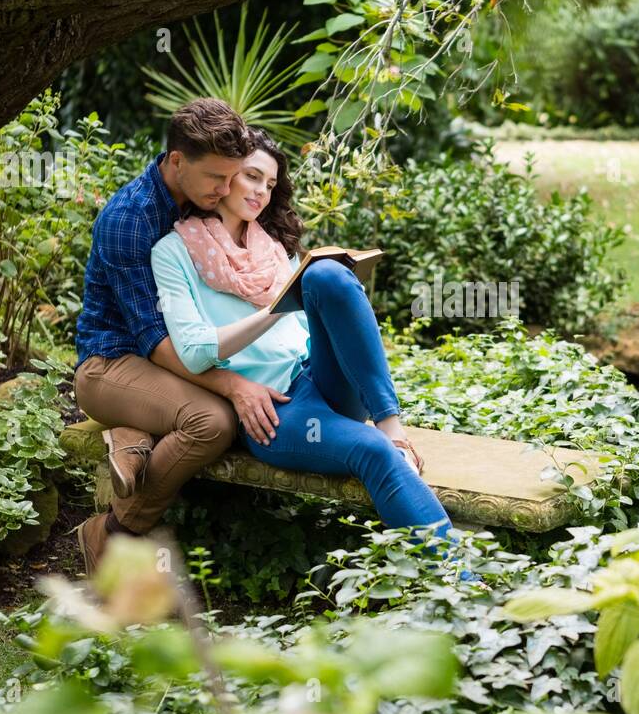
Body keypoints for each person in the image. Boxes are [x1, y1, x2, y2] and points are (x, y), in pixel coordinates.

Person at [149, 127, 476, 581]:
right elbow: (193, 350)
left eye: (270, 183)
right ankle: (462, 585)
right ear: (224, 179)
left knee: (327, 274)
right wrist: (273, 309)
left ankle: (392, 425)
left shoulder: (270, 247)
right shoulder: (174, 252)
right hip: (275, 409)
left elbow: (308, 330)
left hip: (316, 379)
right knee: (373, 453)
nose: (262, 192)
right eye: (252, 177)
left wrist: (315, 298)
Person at [73, 98, 289, 575]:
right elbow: (152, 338)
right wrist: (235, 385)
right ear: (175, 161)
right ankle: (112, 532)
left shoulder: (203, 204)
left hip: (171, 361)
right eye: (216, 177)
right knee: (212, 423)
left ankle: (134, 439)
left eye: (233, 176)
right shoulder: (130, 219)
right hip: (114, 362)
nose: (227, 187)